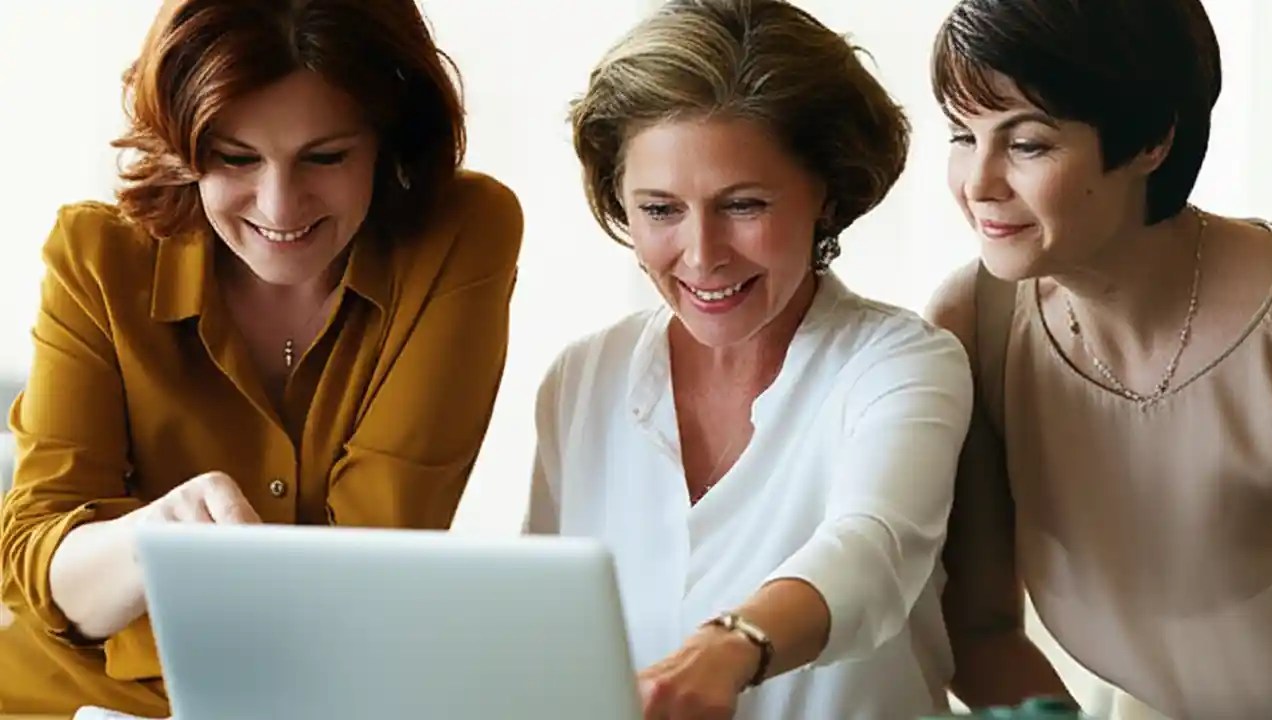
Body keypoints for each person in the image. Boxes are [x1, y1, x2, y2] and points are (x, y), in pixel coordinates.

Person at [0, 0, 522, 714]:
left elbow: (375, 558)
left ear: (388, 140)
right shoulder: (97, 257)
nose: (280, 208)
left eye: (326, 156)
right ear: (184, 149)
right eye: (235, 159)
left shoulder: (463, 235)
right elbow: (42, 571)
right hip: (71, 700)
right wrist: (157, 538)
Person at [526, 1, 974, 718]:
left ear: (825, 194)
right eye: (660, 209)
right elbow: (545, 633)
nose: (702, 256)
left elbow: (871, 551)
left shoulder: (901, 364)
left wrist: (732, 647)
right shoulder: (583, 379)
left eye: (743, 205)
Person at [926, 1, 1272, 718]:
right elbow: (982, 629)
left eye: (1027, 144)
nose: (979, 183)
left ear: (1150, 139)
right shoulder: (976, 321)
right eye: (965, 135)